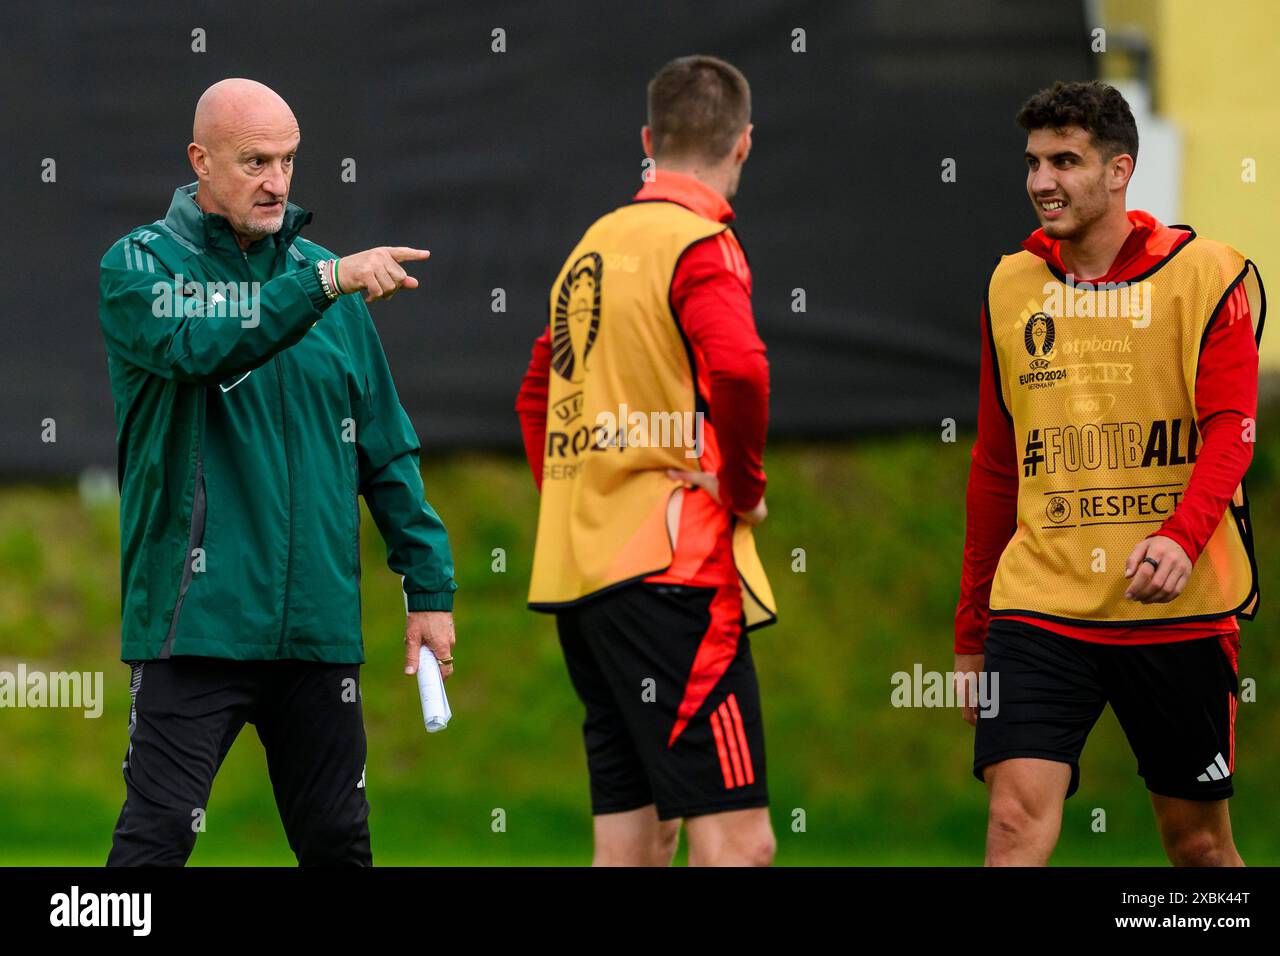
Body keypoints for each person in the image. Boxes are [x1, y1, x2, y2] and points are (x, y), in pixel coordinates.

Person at [98, 78, 458, 866]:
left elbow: (386, 449)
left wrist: (428, 587)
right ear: (199, 161)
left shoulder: (334, 280)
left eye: (289, 160)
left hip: (317, 634)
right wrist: (325, 284)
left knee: (339, 845)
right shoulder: (139, 266)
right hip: (196, 625)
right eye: (255, 160)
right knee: (153, 843)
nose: (278, 182)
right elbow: (205, 343)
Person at [955, 80, 1264, 866]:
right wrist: (972, 631)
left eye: (1065, 160)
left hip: (1179, 609)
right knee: (1013, 827)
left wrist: (1181, 539)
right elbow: (996, 464)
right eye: (1032, 162)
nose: (1041, 181)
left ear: (1121, 170)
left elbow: (1232, 432)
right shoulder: (1009, 285)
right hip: (1040, 605)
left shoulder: (1208, 277)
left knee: (1196, 845)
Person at [516, 55, 778, 866]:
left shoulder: (594, 246)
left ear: (647, 141)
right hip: (675, 576)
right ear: (742, 145)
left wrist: (580, 497)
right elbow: (739, 367)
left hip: (588, 580)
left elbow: (534, 396)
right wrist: (742, 487)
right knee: (741, 841)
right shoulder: (700, 244)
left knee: (634, 843)